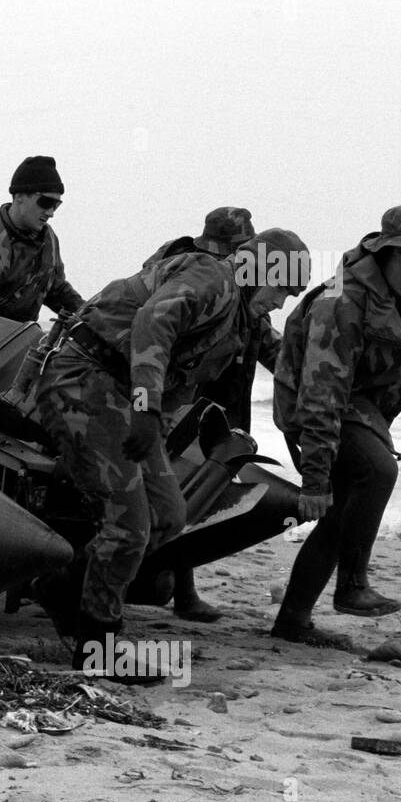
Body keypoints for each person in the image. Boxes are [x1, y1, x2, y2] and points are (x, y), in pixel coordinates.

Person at [35, 229, 310, 677]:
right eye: (282, 289)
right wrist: (146, 407)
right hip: (85, 381)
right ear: (260, 271)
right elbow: (152, 322)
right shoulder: (211, 278)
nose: (281, 303)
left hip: (127, 399)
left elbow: (223, 371)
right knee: (127, 527)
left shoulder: (240, 315)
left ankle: (60, 585)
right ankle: (97, 649)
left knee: (167, 516)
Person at [272, 205, 401, 648]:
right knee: (377, 471)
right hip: (315, 405)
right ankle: (352, 585)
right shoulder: (342, 301)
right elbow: (320, 394)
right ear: (400, 252)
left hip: (361, 404)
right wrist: (314, 478)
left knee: (345, 512)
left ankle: (292, 621)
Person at [142, 207, 266, 622]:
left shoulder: (242, 293)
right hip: (186, 402)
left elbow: (265, 340)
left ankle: (176, 585)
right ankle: (177, 588)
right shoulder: (197, 277)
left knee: (199, 492)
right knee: (178, 491)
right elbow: (154, 325)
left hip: (222, 403)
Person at [0, 156, 83, 323]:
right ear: (20, 197)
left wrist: (91, 318)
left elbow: (57, 290)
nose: (51, 212)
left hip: (22, 341)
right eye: (45, 202)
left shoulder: (47, 238)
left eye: (56, 205)